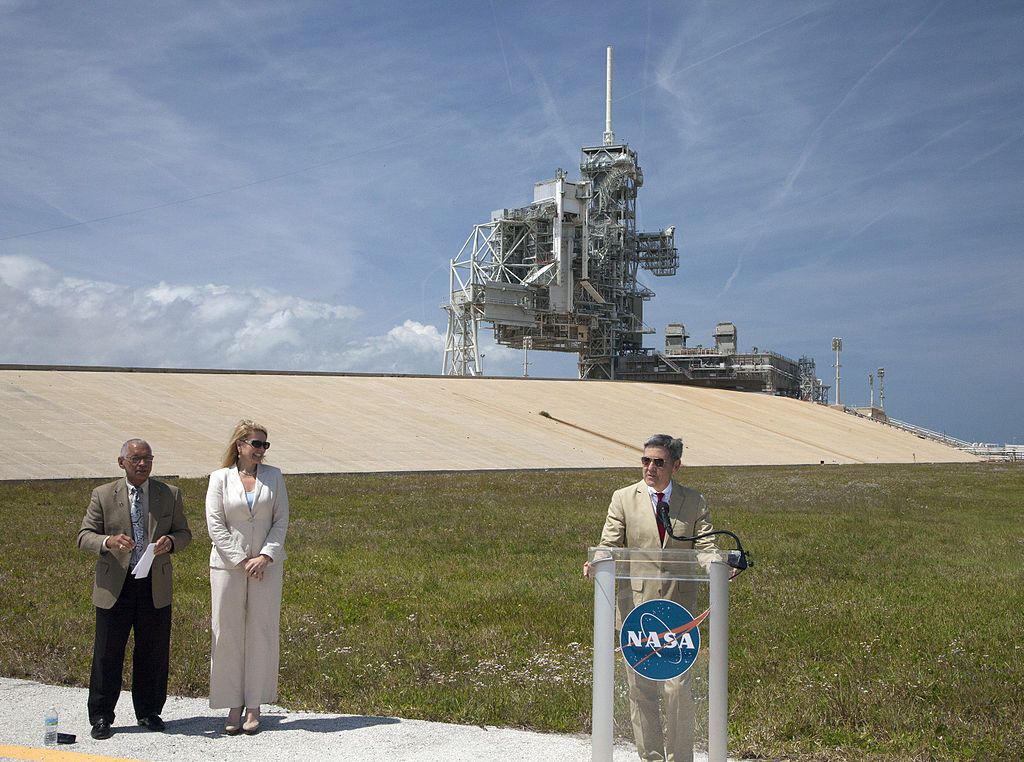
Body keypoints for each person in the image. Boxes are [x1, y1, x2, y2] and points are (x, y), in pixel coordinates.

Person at [584, 434, 715, 762]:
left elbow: (707, 547)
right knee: (641, 692)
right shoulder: (623, 498)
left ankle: (680, 758)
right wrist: (598, 559)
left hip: (678, 614)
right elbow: (610, 542)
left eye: (658, 462)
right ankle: (651, 758)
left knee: (678, 691)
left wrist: (719, 565)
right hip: (636, 612)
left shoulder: (694, 501)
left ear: (676, 465)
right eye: (646, 461)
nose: (650, 467)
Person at [77, 438, 192, 740]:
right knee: (107, 652)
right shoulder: (103, 495)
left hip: (154, 585)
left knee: (153, 651)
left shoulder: (169, 494)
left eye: (148, 459)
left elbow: (184, 532)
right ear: (122, 463)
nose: (142, 464)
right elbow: (84, 535)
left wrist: (172, 543)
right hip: (116, 584)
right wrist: (108, 542)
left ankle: (149, 711)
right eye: (136, 459)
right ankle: (102, 716)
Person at [206, 420, 289, 735]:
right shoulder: (219, 479)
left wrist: (266, 555)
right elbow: (215, 524)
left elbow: (281, 520)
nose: (261, 451)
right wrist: (241, 560)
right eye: (256, 444)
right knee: (226, 633)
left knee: (261, 631)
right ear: (239, 445)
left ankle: (254, 705)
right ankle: (232, 705)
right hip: (228, 567)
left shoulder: (274, 477)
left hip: (266, 568)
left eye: (265, 445)